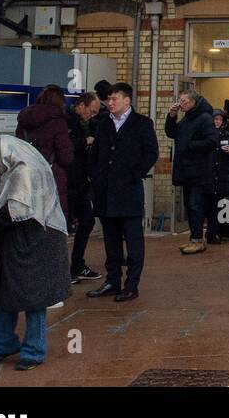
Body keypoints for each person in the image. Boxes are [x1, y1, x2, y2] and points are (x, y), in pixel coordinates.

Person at [0, 135, 70, 370]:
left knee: (33, 296)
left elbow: (15, 210)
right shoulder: (12, 168)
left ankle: (33, 351)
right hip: (22, 238)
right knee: (5, 293)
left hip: (38, 238)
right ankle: (4, 344)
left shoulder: (23, 170)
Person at [86, 82, 158, 302]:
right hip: (106, 192)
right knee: (111, 240)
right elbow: (96, 153)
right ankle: (112, 280)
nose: (110, 103)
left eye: (114, 99)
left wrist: (135, 173)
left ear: (127, 100)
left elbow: (151, 152)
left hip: (128, 191)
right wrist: (95, 175)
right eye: (108, 99)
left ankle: (131, 284)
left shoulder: (142, 123)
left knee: (134, 241)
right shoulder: (103, 124)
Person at [164, 91, 221, 254]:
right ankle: (194, 238)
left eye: (184, 101)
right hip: (186, 169)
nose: (180, 103)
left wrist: (189, 146)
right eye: (179, 100)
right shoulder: (186, 119)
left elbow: (212, 141)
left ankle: (197, 240)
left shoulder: (204, 118)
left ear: (193, 102)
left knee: (195, 205)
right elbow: (171, 133)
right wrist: (172, 116)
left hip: (198, 170)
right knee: (189, 205)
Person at [15, 85, 74, 219]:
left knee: (27, 219)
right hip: (51, 177)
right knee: (52, 222)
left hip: (26, 176)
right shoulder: (58, 122)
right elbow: (66, 157)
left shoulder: (24, 120)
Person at [65, 92, 104, 283]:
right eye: (91, 110)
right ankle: (63, 269)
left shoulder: (89, 123)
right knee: (64, 225)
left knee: (87, 221)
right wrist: (85, 142)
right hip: (67, 181)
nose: (92, 114)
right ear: (81, 105)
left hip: (82, 181)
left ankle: (77, 264)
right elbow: (64, 147)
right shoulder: (67, 121)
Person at [212, 112, 229, 240]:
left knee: (228, 202)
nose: (217, 122)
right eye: (215, 119)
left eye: (219, 119)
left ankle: (228, 229)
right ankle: (216, 230)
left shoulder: (228, 136)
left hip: (226, 174)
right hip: (212, 175)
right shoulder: (208, 134)